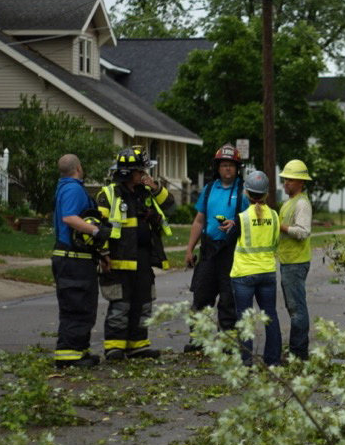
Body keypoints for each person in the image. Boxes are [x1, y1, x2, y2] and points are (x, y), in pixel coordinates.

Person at [96, 146, 175, 361]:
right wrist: (103, 253)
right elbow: (98, 226)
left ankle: (137, 345)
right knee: (121, 305)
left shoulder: (146, 192)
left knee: (143, 303)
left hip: (142, 258)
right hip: (118, 260)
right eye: (141, 171)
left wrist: (155, 187)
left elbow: (170, 205)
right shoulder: (109, 194)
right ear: (129, 173)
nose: (145, 175)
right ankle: (114, 347)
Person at [183, 144, 249, 352]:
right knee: (201, 295)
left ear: (237, 168)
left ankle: (227, 341)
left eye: (231, 165)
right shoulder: (209, 189)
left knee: (229, 297)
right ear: (218, 168)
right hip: (209, 249)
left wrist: (236, 225)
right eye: (224, 165)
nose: (227, 169)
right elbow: (199, 221)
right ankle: (198, 339)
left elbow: (251, 221)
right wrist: (189, 249)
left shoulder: (244, 192)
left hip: (232, 251)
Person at [51, 154, 107, 369]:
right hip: (73, 260)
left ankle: (79, 351)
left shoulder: (64, 187)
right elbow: (69, 218)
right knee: (77, 306)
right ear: (78, 168)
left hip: (74, 258)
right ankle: (70, 357)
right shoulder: (73, 189)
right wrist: (97, 231)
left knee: (80, 306)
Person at [229, 170, 282, 366]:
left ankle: (246, 363)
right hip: (267, 272)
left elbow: (231, 239)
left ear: (247, 193)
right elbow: (275, 242)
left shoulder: (242, 217)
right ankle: (273, 361)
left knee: (245, 318)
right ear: (266, 193)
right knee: (270, 316)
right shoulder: (275, 216)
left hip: (244, 274)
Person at [277, 160, 314, 361]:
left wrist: (279, 226)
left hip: (296, 263)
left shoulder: (301, 204)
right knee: (294, 308)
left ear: (301, 182)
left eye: (290, 180)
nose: (286, 183)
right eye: (285, 179)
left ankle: (298, 353)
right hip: (288, 261)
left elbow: (303, 232)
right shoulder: (289, 203)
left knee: (297, 309)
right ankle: (296, 351)